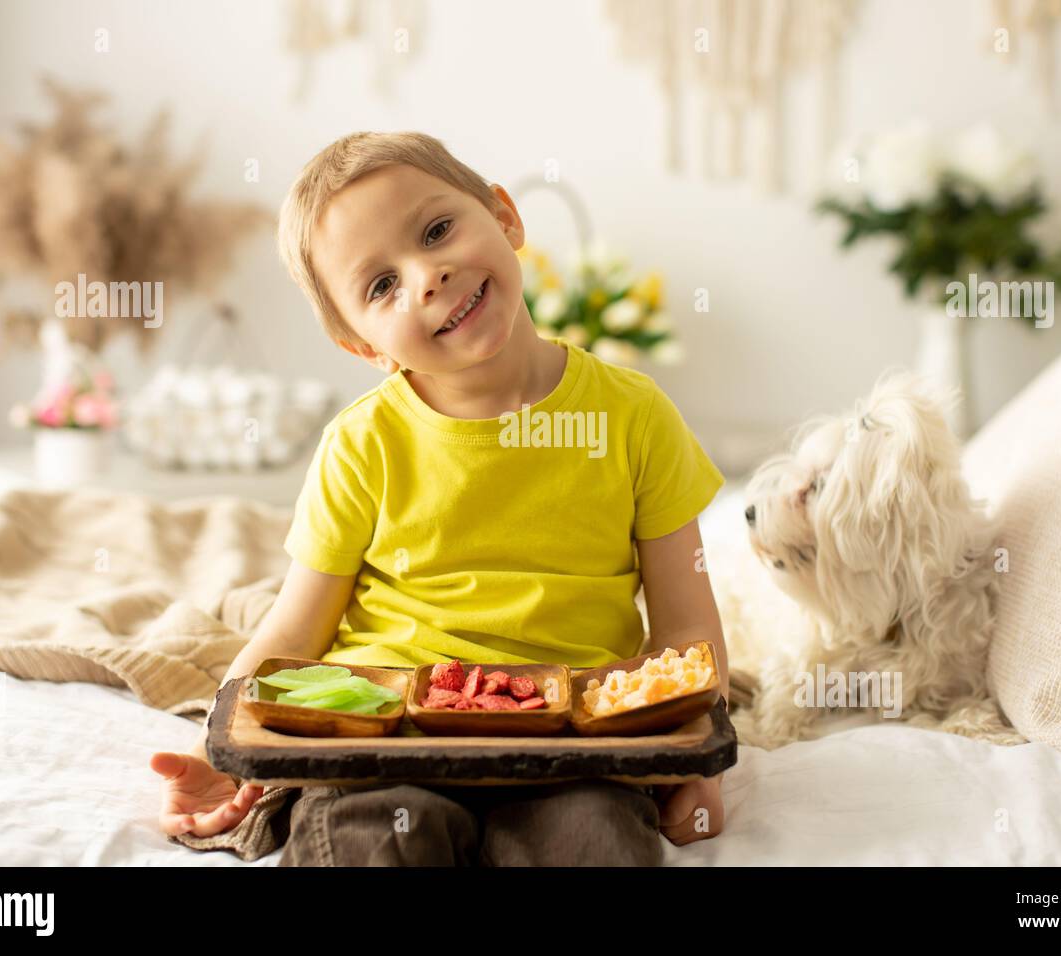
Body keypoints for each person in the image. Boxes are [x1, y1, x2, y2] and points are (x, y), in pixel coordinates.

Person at [152, 130, 729, 865]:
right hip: (386, 749)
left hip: (575, 750)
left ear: (506, 218)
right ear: (364, 346)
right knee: (367, 840)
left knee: (596, 841)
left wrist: (695, 762)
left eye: (435, 231)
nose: (426, 276)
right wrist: (224, 754)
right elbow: (291, 639)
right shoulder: (362, 444)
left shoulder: (635, 417)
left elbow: (685, 631)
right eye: (381, 285)